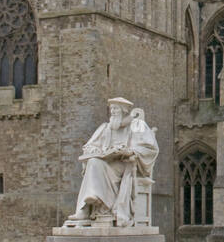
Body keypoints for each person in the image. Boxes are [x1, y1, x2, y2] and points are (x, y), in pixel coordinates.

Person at [66, 97, 158, 227]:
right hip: (106, 163)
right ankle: (85, 208)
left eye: (116, 109)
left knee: (96, 165)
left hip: (125, 165)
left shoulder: (137, 125)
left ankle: (93, 203)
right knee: (93, 162)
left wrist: (129, 151)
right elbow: (89, 146)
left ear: (124, 111)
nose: (113, 112)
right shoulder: (105, 128)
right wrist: (97, 151)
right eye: (111, 109)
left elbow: (149, 148)